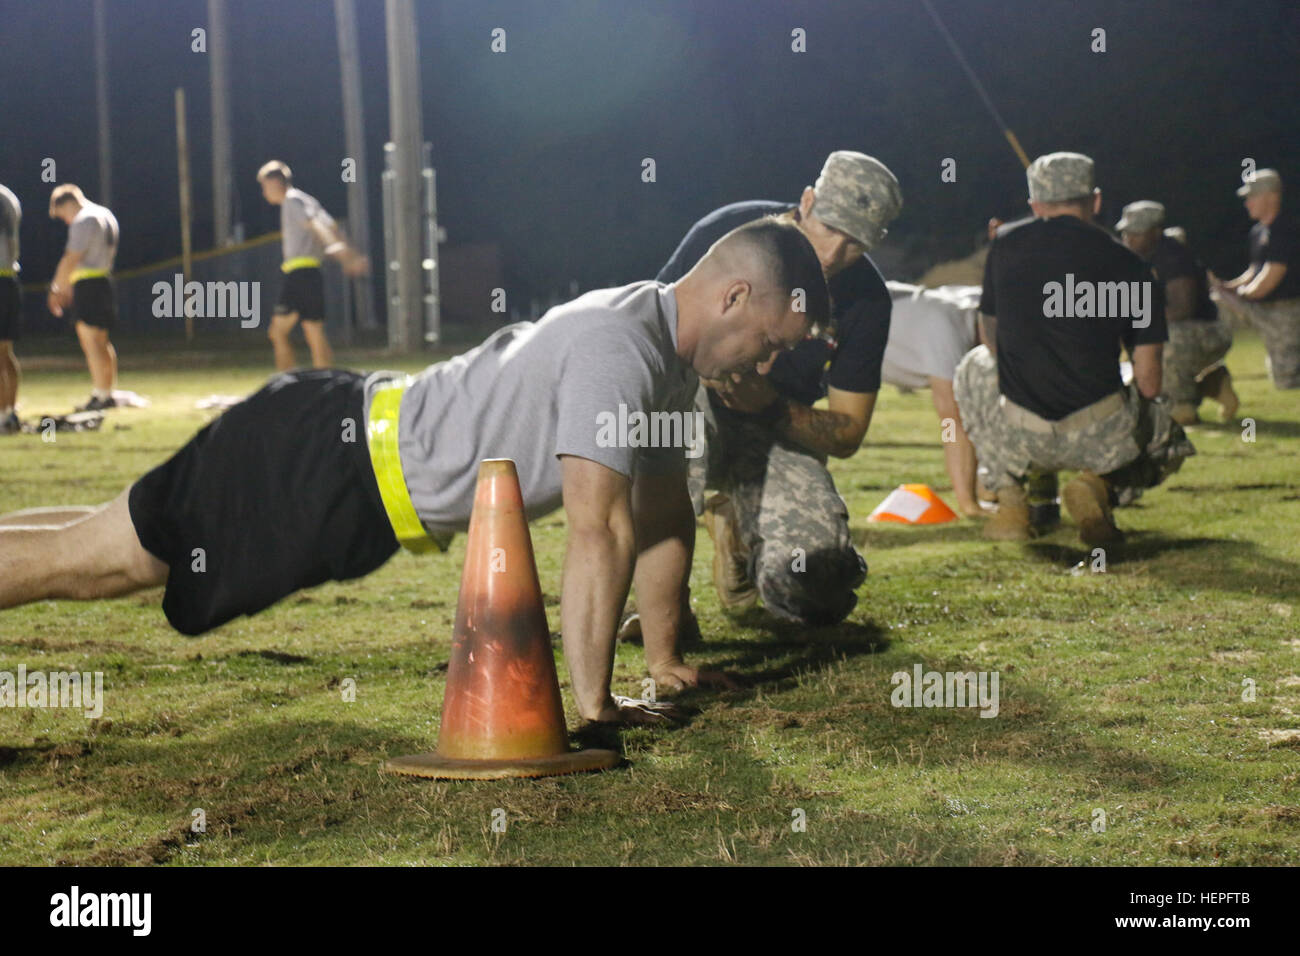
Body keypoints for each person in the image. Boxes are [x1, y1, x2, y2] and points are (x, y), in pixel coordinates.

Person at [0, 217, 828, 727]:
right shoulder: (622, 349)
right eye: (774, 340)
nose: (769, 360)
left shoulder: (658, 350)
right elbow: (598, 525)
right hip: (320, 460)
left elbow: (660, 516)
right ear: (734, 299)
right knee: (106, 562)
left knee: (101, 542)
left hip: (347, 467)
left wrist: (663, 660)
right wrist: (594, 705)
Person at [654, 150, 902, 626]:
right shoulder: (730, 232)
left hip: (771, 428)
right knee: (666, 440)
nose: (833, 254)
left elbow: (848, 433)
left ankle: (741, 535)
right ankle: (659, 604)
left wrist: (772, 407)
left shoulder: (867, 299)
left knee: (819, 583)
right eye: (829, 228)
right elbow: (653, 333)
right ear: (807, 201)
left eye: (855, 243)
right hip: (689, 405)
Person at [953, 151, 1194, 546]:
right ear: (1095, 201)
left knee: (973, 366)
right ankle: (1099, 486)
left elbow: (989, 339)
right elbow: (1149, 382)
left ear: (1034, 205)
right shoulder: (1130, 265)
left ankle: (1012, 502)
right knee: (1170, 438)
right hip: (1099, 436)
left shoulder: (1003, 251)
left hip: (1019, 433)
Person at [1116, 200, 1237, 424]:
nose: (1129, 238)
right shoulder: (1136, 260)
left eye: (1136, 233)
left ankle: (1181, 406)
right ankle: (1214, 384)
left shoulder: (1173, 257)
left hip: (1205, 332)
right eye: (1126, 232)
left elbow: (1181, 309)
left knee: (1162, 338)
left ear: (1155, 232)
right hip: (1181, 332)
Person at [881, 281, 984, 516]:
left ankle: (984, 490)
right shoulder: (948, 327)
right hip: (837, 329)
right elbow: (950, 420)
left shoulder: (973, 301)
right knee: (954, 419)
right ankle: (968, 501)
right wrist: (969, 504)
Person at [256, 160, 368, 371]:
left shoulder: (291, 201)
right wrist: (350, 255)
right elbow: (331, 226)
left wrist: (338, 249)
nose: (264, 192)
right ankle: (326, 384)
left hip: (298, 273)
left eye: (264, 186)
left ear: (274, 182)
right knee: (313, 329)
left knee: (278, 332)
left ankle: (285, 386)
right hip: (312, 272)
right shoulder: (307, 200)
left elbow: (315, 225)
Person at [1211, 168, 1300, 389]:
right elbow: (1254, 272)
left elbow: (1269, 278)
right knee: (1216, 300)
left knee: (1289, 382)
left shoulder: (1285, 229)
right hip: (1266, 310)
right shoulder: (1259, 232)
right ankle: (1207, 368)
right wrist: (1227, 287)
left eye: (1252, 196)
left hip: (1286, 312)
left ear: (1271, 195)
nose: (1247, 202)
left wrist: (1235, 295)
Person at [46, 184, 120, 411]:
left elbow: (71, 257)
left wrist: (57, 287)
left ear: (66, 203)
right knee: (102, 341)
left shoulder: (83, 219)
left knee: (89, 341)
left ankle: (99, 395)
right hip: (104, 280)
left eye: (62, 216)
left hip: (88, 284)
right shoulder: (105, 214)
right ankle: (107, 393)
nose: (66, 221)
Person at [0, 183, 21, 434]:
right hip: (10, 279)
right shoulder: (8, 196)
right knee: (6, 352)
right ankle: (9, 413)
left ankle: (3, 416)